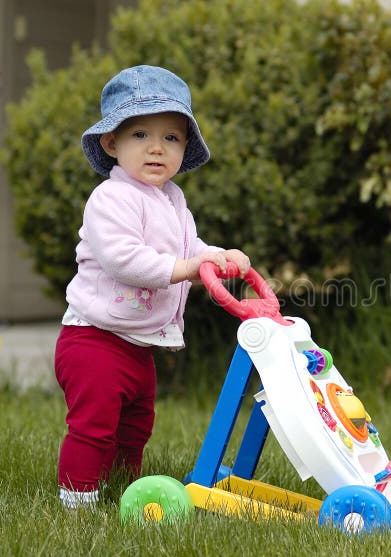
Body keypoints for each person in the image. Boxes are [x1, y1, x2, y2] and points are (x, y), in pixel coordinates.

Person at [54, 65, 250, 509]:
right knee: (95, 424)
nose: (157, 148)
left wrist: (218, 257)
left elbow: (189, 247)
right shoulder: (111, 199)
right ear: (112, 143)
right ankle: (77, 500)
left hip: (136, 342)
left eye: (172, 138)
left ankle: (123, 487)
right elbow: (125, 259)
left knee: (136, 425)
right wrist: (187, 266)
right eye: (141, 134)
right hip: (93, 339)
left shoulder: (172, 199)